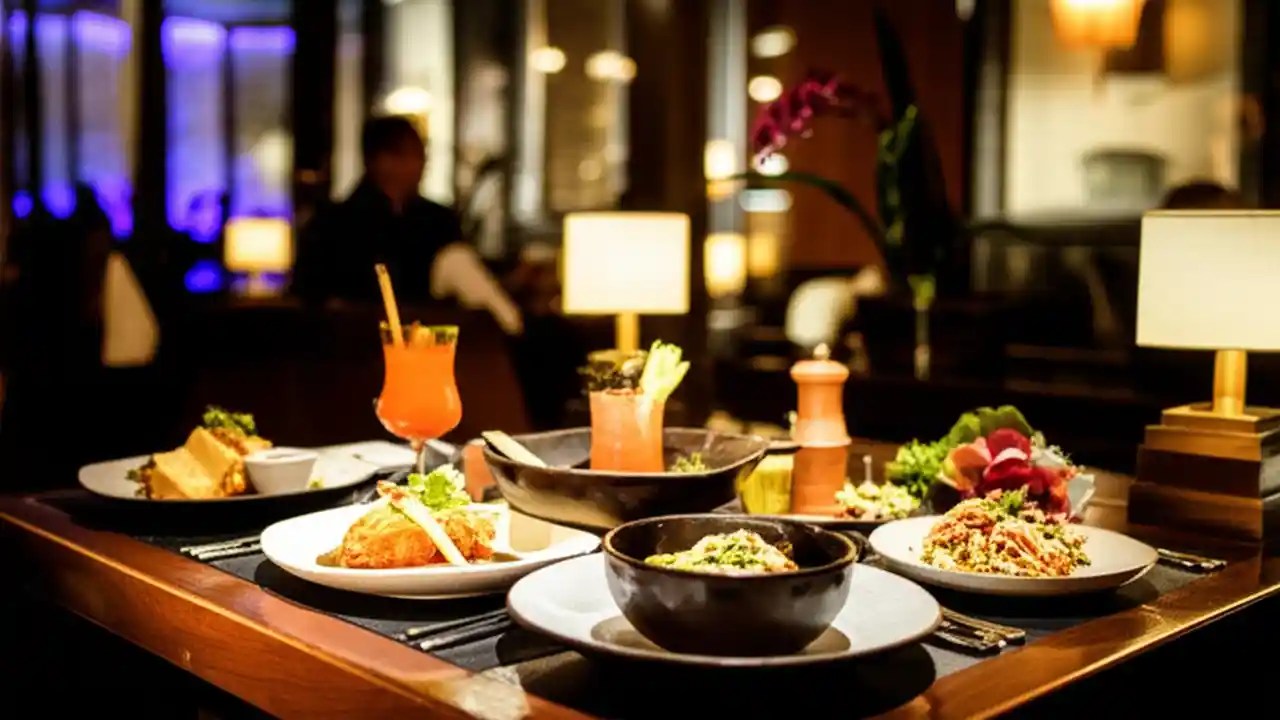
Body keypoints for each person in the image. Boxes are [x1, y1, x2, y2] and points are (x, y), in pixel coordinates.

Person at [293, 116, 521, 335]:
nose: (416, 165)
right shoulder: (335, 223)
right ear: (375, 160)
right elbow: (312, 296)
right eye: (403, 155)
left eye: (419, 156)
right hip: (352, 343)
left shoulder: (437, 219)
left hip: (428, 341)